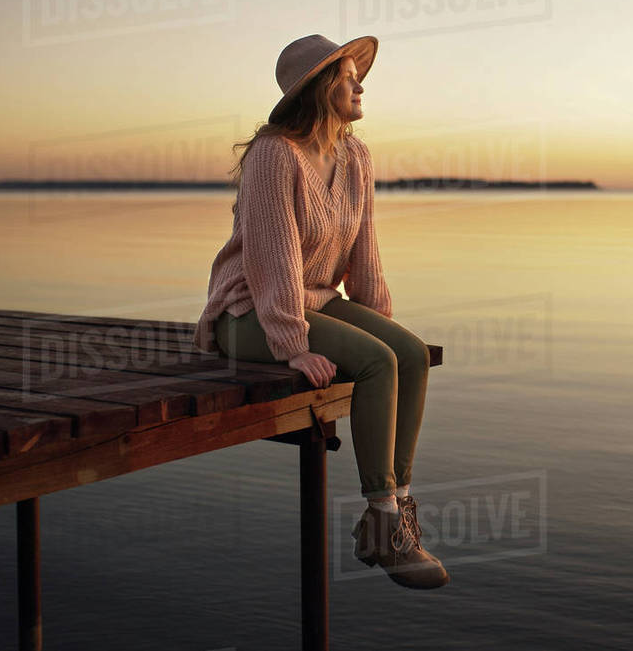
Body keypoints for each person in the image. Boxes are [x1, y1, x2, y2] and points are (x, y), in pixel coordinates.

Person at [192, 34, 449, 589]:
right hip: (250, 313)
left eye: (359, 75)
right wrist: (292, 346)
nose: (359, 84)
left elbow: (366, 251)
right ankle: (382, 518)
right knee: (378, 363)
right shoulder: (273, 155)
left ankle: (400, 510)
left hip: (315, 300)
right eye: (347, 76)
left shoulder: (356, 157)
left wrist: (381, 318)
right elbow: (271, 256)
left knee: (406, 353)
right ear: (319, 88)